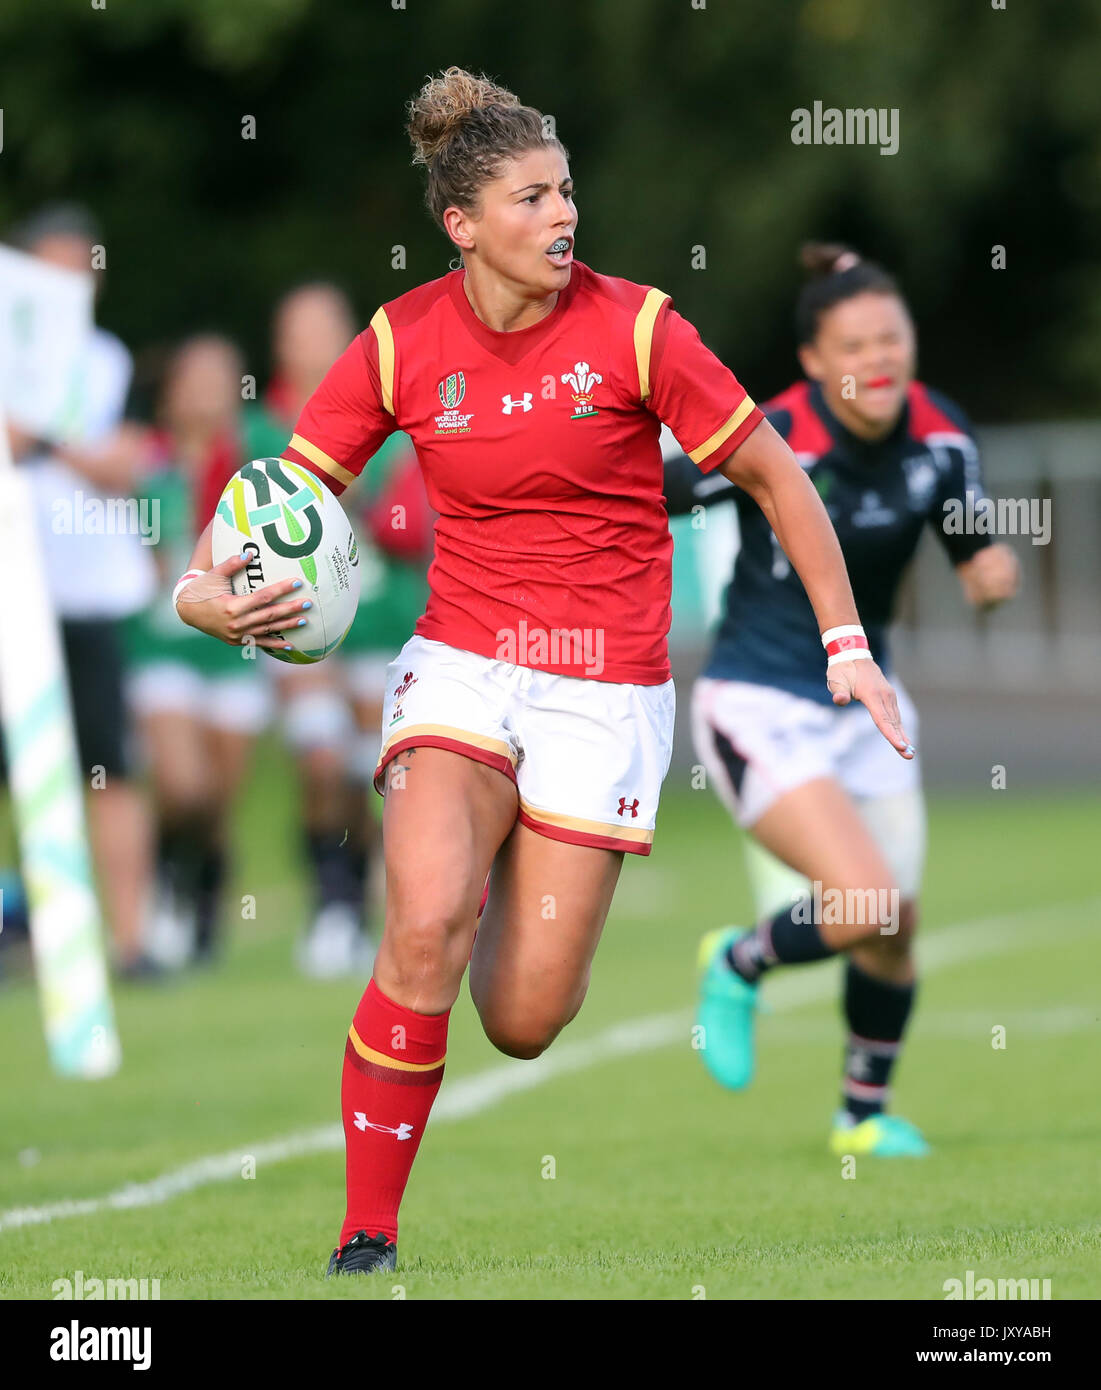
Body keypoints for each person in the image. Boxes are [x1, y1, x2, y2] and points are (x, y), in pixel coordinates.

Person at [173, 69, 913, 1274]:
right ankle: (368, 1234)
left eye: (566, 191)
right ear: (462, 224)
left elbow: (779, 477)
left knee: (522, 1019)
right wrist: (202, 590)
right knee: (422, 926)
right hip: (462, 666)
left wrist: (846, 646)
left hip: (604, 693)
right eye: (531, 199)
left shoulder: (637, 327)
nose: (563, 217)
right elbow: (284, 500)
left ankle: (515, 837)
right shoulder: (400, 343)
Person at [663, 242, 1020, 1156]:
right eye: (853, 345)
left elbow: (973, 554)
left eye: (890, 338)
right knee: (861, 900)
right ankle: (736, 962)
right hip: (759, 701)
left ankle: (861, 1118)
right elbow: (649, 490)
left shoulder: (941, 434)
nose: (878, 359)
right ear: (815, 364)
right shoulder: (767, 436)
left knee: (894, 925)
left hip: (869, 703)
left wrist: (991, 576)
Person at [244, 284, 431, 976]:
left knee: (378, 771)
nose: (315, 343)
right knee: (322, 758)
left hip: (384, 621)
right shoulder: (264, 431)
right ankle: (332, 903)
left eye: (327, 328)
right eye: (300, 331)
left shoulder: (395, 421)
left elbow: (416, 523)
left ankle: (371, 912)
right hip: (301, 624)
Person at [2, 203, 158, 978]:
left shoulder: (109, 362)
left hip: (89, 596)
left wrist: (49, 433)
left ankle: (128, 942)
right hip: (10, 598)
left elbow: (124, 464)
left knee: (109, 768)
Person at [124, 335, 273, 967]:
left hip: (233, 651)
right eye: (196, 378)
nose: (209, 392)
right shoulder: (142, 465)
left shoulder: (256, 471)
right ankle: (160, 885)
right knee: (182, 786)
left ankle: (202, 902)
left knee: (215, 799)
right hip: (161, 646)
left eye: (223, 378)